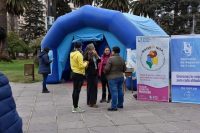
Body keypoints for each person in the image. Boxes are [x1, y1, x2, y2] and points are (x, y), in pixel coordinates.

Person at [104, 46, 126, 111]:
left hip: (112, 78)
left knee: (114, 92)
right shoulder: (122, 59)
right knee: (120, 90)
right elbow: (124, 69)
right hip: (120, 77)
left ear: (113, 51)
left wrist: (105, 72)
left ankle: (114, 107)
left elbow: (107, 69)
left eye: (112, 50)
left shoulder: (111, 59)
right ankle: (120, 104)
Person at [70, 42, 88, 113]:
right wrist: (86, 63)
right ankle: (75, 107)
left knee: (75, 90)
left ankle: (74, 105)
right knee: (77, 91)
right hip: (79, 74)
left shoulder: (71, 53)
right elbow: (81, 66)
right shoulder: (79, 54)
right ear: (80, 47)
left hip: (74, 72)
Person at [84, 43, 100, 108]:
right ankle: (92, 103)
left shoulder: (94, 54)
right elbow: (85, 63)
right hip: (90, 73)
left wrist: (96, 55)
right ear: (90, 49)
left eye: (94, 48)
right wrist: (90, 55)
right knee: (92, 88)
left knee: (92, 87)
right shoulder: (86, 55)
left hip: (95, 73)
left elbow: (99, 60)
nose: (94, 49)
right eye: (93, 48)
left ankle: (90, 101)